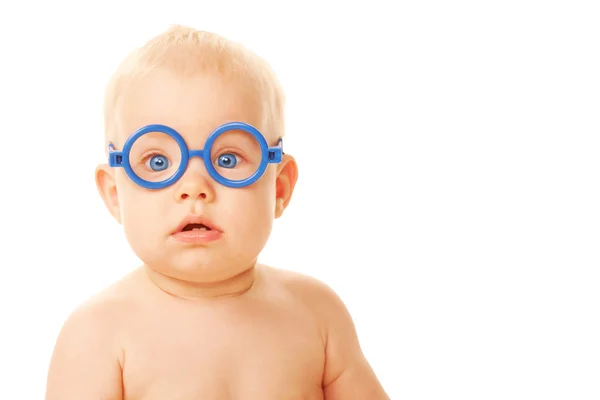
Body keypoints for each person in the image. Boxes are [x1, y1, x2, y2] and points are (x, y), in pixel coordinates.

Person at [45, 25, 389, 399]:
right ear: (114, 194)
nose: (194, 187)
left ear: (279, 187)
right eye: (158, 161)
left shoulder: (317, 314)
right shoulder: (99, 335)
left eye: (227, 159)